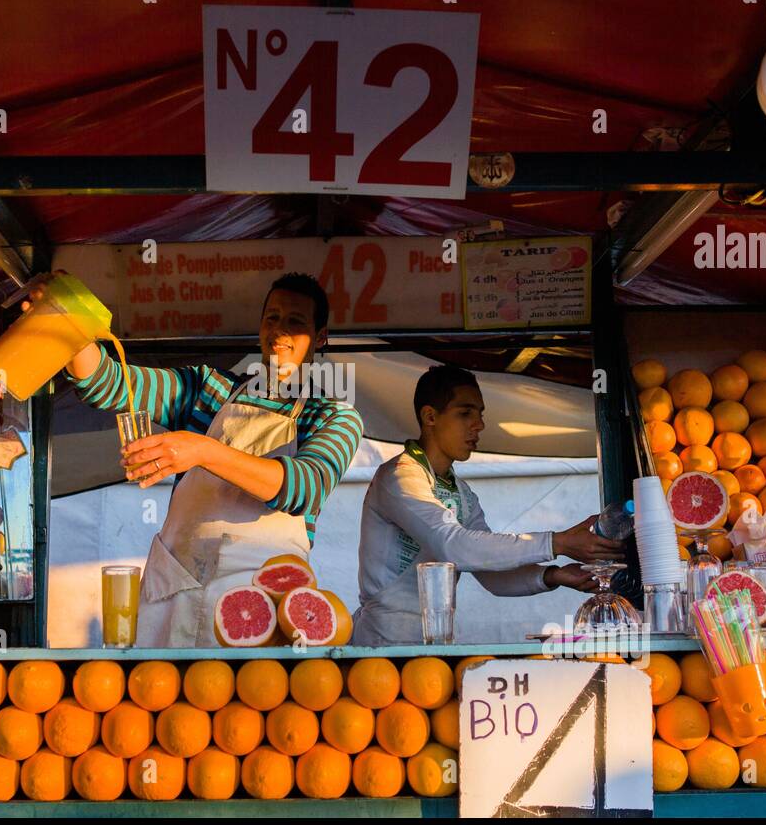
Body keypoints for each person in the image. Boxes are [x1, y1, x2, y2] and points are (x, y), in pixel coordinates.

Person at [48, 272, 363, 647]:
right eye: (272, 318)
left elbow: (303, 488)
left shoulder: (333, 415)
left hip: (262, 610)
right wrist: (60, 318)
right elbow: (109, 382)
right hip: (175, 595)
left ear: (320, 337)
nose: (280, 330)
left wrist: (203, 450)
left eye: (296, 322)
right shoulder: (209, 391)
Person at [352, 364, 624, 646]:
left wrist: (553, 574)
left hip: (433, 647)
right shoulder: (399, 475)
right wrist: (558, 542)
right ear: (430, 416)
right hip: (380, 647)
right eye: (465, 413)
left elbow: (489, 573)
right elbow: (453, 546)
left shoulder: (462, 493)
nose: (479, 425)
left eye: (480, 415)